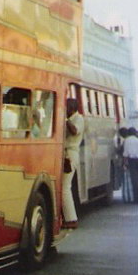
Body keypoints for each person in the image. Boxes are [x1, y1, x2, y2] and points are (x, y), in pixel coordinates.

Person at [62, 97, 84, 229]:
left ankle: (71, 218)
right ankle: (68, 217)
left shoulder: (79, 119)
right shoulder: (71, 118)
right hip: (66, 153)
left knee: (65, 187)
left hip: (71, 153)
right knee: (64, 186)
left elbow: (75, 131)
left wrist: (65, 119)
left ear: (71, 108)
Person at [124, 127, 138, 203]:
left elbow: (125, 153)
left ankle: (136, 197)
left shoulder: (126, 140)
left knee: (134, 179)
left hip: (131, 161)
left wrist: (125, 163)